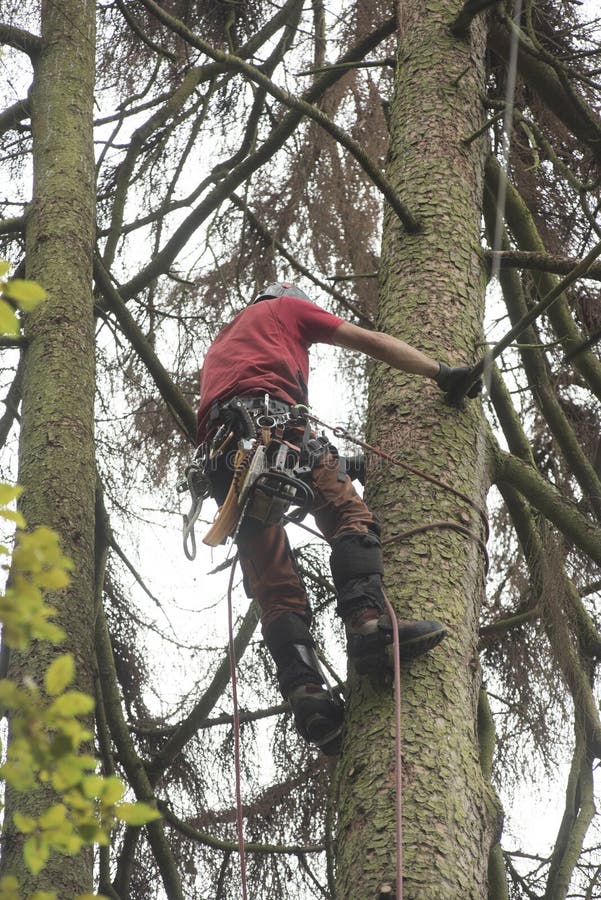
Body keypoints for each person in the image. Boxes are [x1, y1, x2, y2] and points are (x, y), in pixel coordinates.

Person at [197, 282, 481, 755]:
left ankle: (308, 699)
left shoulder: (222, 346)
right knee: (351, 516)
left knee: (274, 586)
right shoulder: (288, 310)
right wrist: (441, 372)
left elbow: (235, 425)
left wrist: (342, 463)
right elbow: (371, 342)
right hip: (274, 428)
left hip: (226, 463)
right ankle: (368, 626)